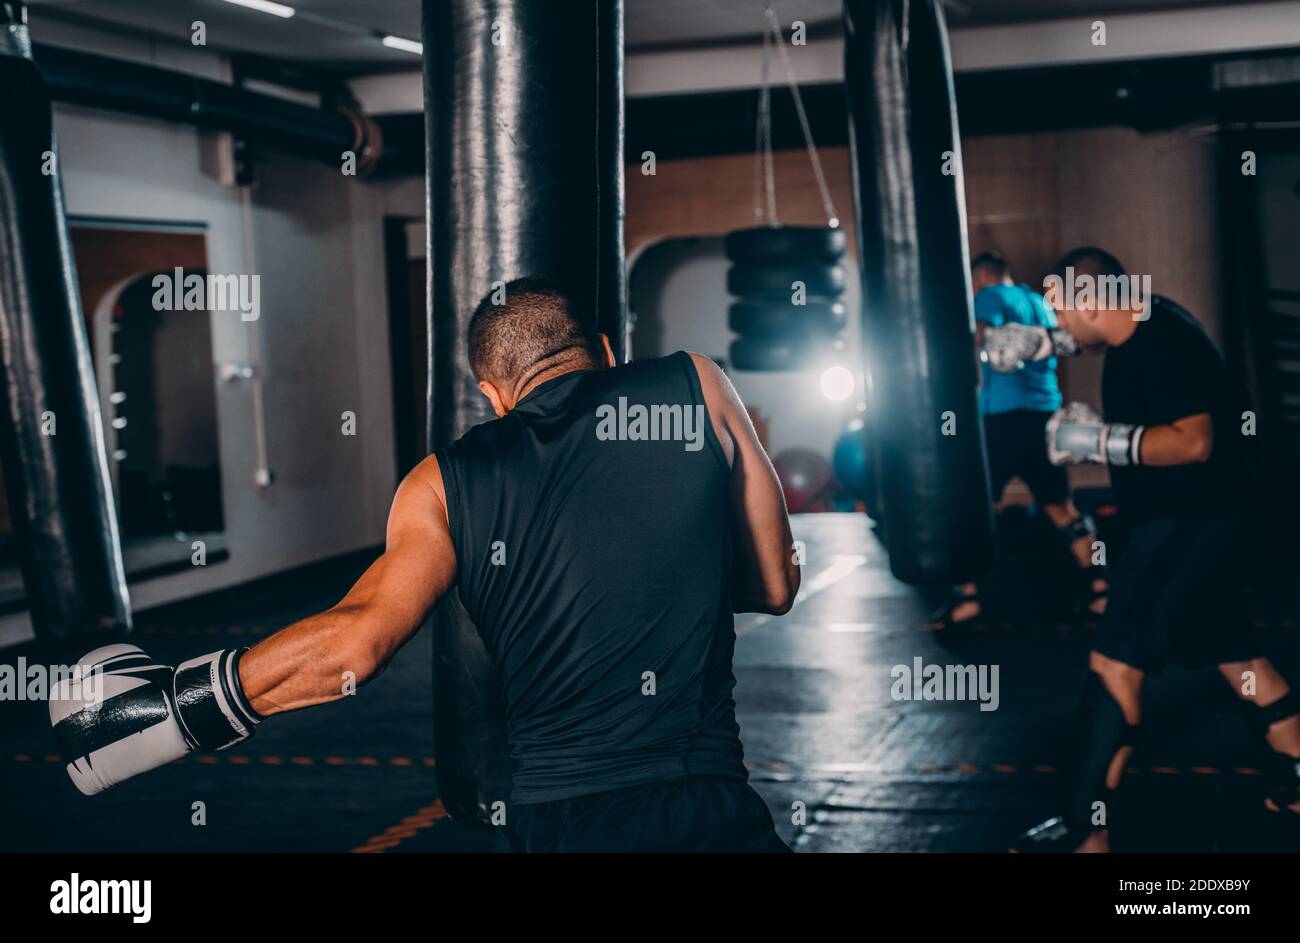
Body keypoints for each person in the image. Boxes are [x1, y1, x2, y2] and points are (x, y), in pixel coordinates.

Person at [50, 277, 800, 854]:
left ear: (492, 393)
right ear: (606, 350)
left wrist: (171, 712)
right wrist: (672, 574)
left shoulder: (439, 481)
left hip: (557, 820)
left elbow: (357, 642)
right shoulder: (697, 383)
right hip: (703, 803)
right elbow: (774, 582)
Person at [1013, 247, 1300, 852]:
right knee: (1238, 659)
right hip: (1213, 521)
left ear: (1091, 299)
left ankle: (1085, 833)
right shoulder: (1143, 332)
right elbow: (1146, 417)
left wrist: (1101, 440)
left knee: (1115, 664)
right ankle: (1296, 779)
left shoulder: (1159, 339)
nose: (1056, 323)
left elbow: (1194, 442)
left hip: (1189, 524)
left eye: (1060, 309)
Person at [931, 251, 1107, 629]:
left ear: (981, 277)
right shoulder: (1040, 303)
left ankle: (968, 599)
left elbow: (978, 338)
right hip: (1044, 416)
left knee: (976, 507)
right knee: (1061, 507)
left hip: (1002, 418)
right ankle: (1101, 591)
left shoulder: (990, 296)